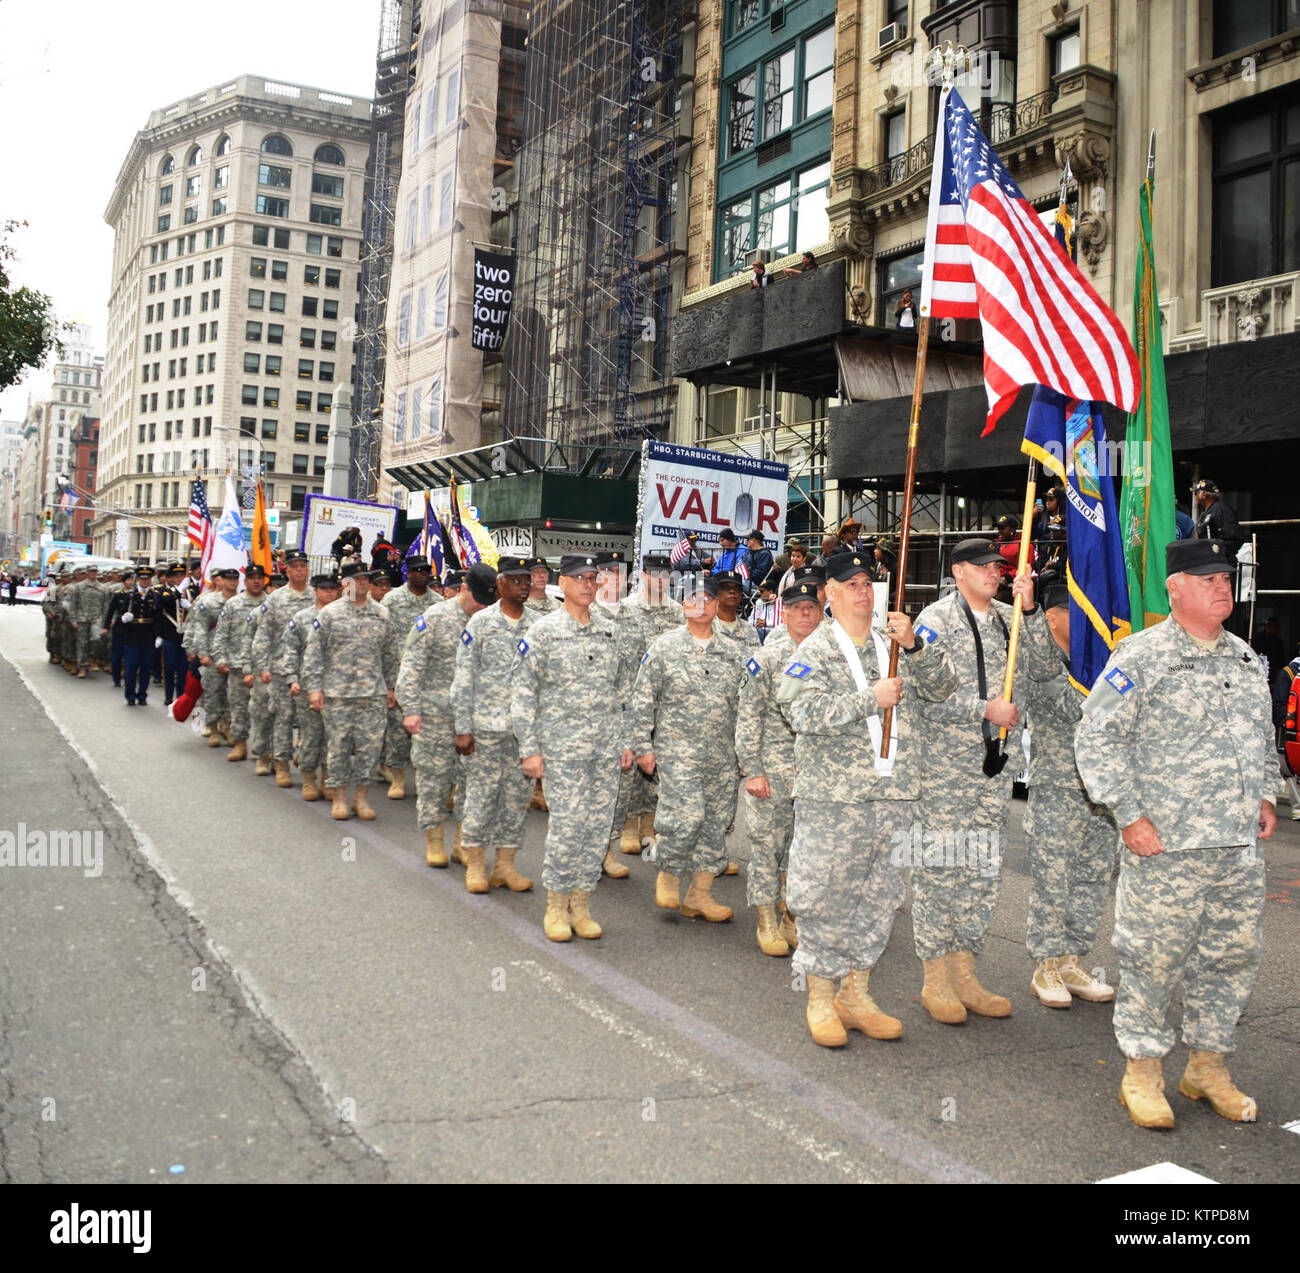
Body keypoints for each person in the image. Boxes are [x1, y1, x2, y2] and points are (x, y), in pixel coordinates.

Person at [1076, 538, 1278, 1130]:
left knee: (1231, 957)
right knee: (1154, 961)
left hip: (1236, 850)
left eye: (1226, 576)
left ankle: (1207, 1066)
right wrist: (1129, 815)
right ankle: (1142, 1070)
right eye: (1208, 576)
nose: (1223, 585)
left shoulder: (1245, 661)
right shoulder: (1141, 657)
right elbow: (1097, 740)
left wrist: (1265, 793)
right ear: (1175, 587)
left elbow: (1262, 739)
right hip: (1166, 848)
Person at [776, 552, 958, 1046]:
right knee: (826, 897)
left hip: (894, 796)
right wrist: (868, 700)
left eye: (866, 582)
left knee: (879, 899)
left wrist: (916, 645)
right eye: (849, 584)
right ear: (828, 595)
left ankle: (856, 994)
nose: (861, 591)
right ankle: (820, 997)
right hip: (836, 800)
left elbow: (945, 689)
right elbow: (798, 710)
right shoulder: (813, 650)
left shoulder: (893, 645)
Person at [910, 538, 1054, 1024]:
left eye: (998, 566)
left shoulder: (1006, 615)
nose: (995, 573)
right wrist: (983, 710)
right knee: (941, 868)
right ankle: (934, 977)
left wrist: (1030, 612)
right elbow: (923, 695)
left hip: (994, 769)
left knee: (980, 870)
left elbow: (1044, 669)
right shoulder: (935, 620)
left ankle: (965, 972)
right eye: (985, 566)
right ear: (959, 572)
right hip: (946, 770)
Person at [513, 554, 635, 941]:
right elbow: (522, 693)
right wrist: (529, 749)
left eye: (592, 578)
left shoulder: (611, 630)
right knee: (568, 827)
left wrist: (627, 740)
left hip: (604, 750)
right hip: (562, 751)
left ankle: (582, 905)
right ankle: (556, 905)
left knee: (597, 829)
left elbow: (624, 691)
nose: (587, 584)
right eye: (578, 578)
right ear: (561, 583)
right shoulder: (543, 632)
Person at [1019, 572, 1118, 1009]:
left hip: (1100, 792)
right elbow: (1077, 708)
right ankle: (1045, 966)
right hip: (1059, 788)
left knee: (1092, 879)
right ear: (1055, 619)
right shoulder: (1045, 665)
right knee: (1053, 882)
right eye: (1077, 615)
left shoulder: (1096, 661)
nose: (1086, 625)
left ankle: (1073, 960)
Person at [632, 574, 745, 923]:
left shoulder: (732, 652)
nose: (702, 605)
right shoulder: (664, 647)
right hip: (676, 752)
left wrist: (745, 753)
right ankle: (668, 873)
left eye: (709, 600)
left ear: (715, 606)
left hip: (721, 755)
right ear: (684, 605)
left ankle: (700, 894)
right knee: (685, 817)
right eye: (694, 599)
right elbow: (642, 699)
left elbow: (745, 706)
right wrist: (642, 746)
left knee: (715, 823)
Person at [736, 579, 823, 956]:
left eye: (812, 607)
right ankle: (767, 920)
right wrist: (752, 770)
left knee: (803, 852)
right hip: (773, 770)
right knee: (768, 849)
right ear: (784, 612)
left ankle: (792, 916)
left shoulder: (829, 656)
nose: (806, 614)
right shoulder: (769, 658)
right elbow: (748, 717)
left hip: (817, 775)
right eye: (798, 608)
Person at [398, 563, 497, 865]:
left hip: (474, 717)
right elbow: (411, 667)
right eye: (478, 598)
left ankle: (463, 844)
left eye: (487, 601)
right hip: (435, 716)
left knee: (470, 782)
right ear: (463, 588)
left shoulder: (490, 622)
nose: (481, 605)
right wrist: (411, 710)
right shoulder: (434, 618)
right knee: (434, 779)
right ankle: (435, 840)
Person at [449, 556, 538, 893]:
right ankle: (474, 865)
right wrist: (463, 727)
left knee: (516, 801)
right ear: (500, 584)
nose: (524, 586)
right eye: (516, 580)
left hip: (523, 734)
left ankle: (504, 865)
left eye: (527, 580)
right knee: (482, 797)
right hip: (485, 729)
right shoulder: (481, 624)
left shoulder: (538, 626)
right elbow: (464, 678)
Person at [302, 560, 402, 822]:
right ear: (344, 584)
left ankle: (361, 797)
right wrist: (314, 689)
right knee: (338, 748)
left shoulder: (381, 614)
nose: (362, 583)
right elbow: (314, 654)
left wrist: (391, 687)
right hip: (337, 694)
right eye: (357, 579)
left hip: (372, 693)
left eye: (365, 579)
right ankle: (340, 797)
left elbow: (391, 654)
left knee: (370, 749)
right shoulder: (329, 614)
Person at [615, 553, 684, 855]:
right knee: (631, 769)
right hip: (633, 702)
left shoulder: (679, 613)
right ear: (642, 576)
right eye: (653, 574)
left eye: (664, 575)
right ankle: (629, 824)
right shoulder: (625, 611)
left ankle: (649, 822)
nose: (659, 580)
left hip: (666, 705)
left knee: (659, 767)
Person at [250, 548, 316, 790]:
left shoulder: (315, 596)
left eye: (303, 566)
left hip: (310, 670)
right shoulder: (275, 599)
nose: (299, 570)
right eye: (294, 566)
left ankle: (305, 756)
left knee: (310, 720)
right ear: (286, 570)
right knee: (283, 718)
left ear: (307, 570)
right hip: (279, 668)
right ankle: (282, 764)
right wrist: (262, 667)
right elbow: (263, 636)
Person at [378, 555, 437, 799]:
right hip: (399, 674)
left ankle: (428, 783)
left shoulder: (438, 603)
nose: (423, 573)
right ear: (408, 573)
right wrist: (389, 685)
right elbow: (385, 644)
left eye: (426, 570)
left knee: (430, 733)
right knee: (398, 732)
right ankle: (398, 778)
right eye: (418, 570)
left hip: (430, 679)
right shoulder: (392, 601)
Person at [285, 571, 344, 800]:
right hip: (309, 685)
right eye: (324, 589)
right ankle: (308, 779)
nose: (329, 593)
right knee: (311, 735)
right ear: (315, 591)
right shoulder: (301, 618)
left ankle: (328, 779)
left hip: (337, 687)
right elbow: (289, 649)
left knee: (333, 737)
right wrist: (292, 678)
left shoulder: (342, 617)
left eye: (332, 589)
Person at [212, 564, 270, 765]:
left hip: (264, 667)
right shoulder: (233, 604)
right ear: (245, 581)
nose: (256, 581)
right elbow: (221, 635)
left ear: (264, 580)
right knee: (238, 708)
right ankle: (240, 743)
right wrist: (220, 659)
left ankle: (263, 748)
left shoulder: (271, 604)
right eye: (252, 577)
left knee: (264, 711)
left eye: (260, 578)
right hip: (237, 665)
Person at [184, 568, 238, 745]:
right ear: (218, 580)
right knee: (213, 692)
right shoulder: (207, 602)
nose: (231, 582)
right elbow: (199, 629)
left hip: (236, 656)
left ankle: (227, 725)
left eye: (234, 579)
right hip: (214, 655)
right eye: (226, 579)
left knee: (232, 694)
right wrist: (202, 654)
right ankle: (213, 727)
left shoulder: (242, 602)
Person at [119, 566, 161, 706]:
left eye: (147, 579)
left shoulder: (155, 595)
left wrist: (159, 636)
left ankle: (142, 694)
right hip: (132, 636)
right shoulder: (130, 595)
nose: (145, 582)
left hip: (148, 636)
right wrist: (124, 618)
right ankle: (130, 695)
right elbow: (120, 612)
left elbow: (158, 617)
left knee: (146, 667)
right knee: (131, 668)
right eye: (142, 579)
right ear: (138, 579)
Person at [151, 564, 187, 705]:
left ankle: (181, 695)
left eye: (181, 576)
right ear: (169, 578)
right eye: (175, 576)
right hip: (169, 634)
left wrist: (191, 606)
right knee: (170, 666)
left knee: (183, 668)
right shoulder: (163, 591)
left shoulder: (188, 592)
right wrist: (159, 634)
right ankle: (168, 695)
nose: (178, 579)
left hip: (185, 636)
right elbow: (163, 604)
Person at [102, 570, 135, 687]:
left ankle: (128, 676)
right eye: (129, 580)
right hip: (119, 628)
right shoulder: (118, 594)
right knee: (117, 655)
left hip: (133, 630)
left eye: (133, 580)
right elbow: (110, 611)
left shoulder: (137, 595)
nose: (131, 583)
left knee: (130, 656)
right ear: (124, 581)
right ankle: (116, 677)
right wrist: (106, 626)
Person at [745, 530, 774, 595]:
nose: (746, 542)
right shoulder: (748, 553)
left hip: (757, 585)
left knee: (737, 583)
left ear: (754, 540)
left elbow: (761, 573)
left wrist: (746, 575)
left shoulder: (765, 554)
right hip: (746, 581)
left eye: (748, 539)